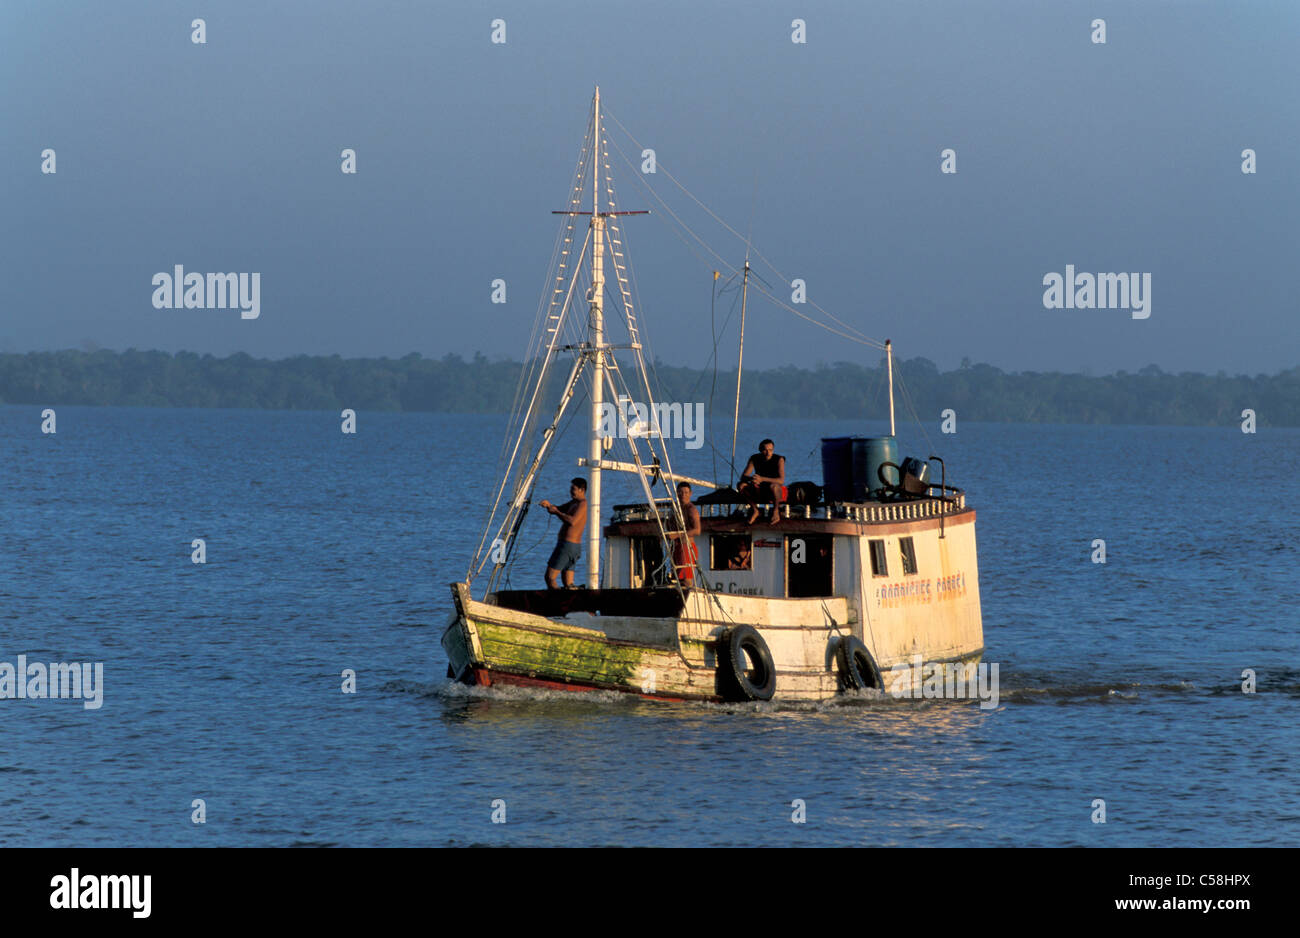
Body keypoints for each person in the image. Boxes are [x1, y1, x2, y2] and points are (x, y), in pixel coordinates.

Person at [540, 478, 587, 589]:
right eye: (570, 488)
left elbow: (572, 521)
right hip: (570, 547)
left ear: (582, 490)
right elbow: (559, 509)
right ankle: (571, 605)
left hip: (567, 546)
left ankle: (557, 604)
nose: (570, 491)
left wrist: (556, 512)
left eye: (573, 489)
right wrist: (549, 506)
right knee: (568, 584)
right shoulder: (574, 502)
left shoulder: (583, 504)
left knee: (550, 577)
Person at [738, 438, 786, 525]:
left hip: (774, 489)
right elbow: (743, 476)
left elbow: (781, 480)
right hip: (760, 488)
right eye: (765, 450)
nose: (768, 453)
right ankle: (755, 510)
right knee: (741, 485)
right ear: (760, 450)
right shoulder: (754, 458)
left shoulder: (779, 459)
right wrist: (752, 479)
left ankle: (776, 511)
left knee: (774, 486)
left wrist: (762, 479)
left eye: (770, 450)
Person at [667, 481, 701, 584]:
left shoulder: (692, 510)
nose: (683, 495)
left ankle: (689, 597)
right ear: (677, 493)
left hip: (687, 546)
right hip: (676, 547)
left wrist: (676, 534)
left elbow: (697, 530)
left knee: (686, 579)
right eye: (680, 492)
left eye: (686, 492)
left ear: (690, 493)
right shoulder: (675, 508)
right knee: (676, 579)